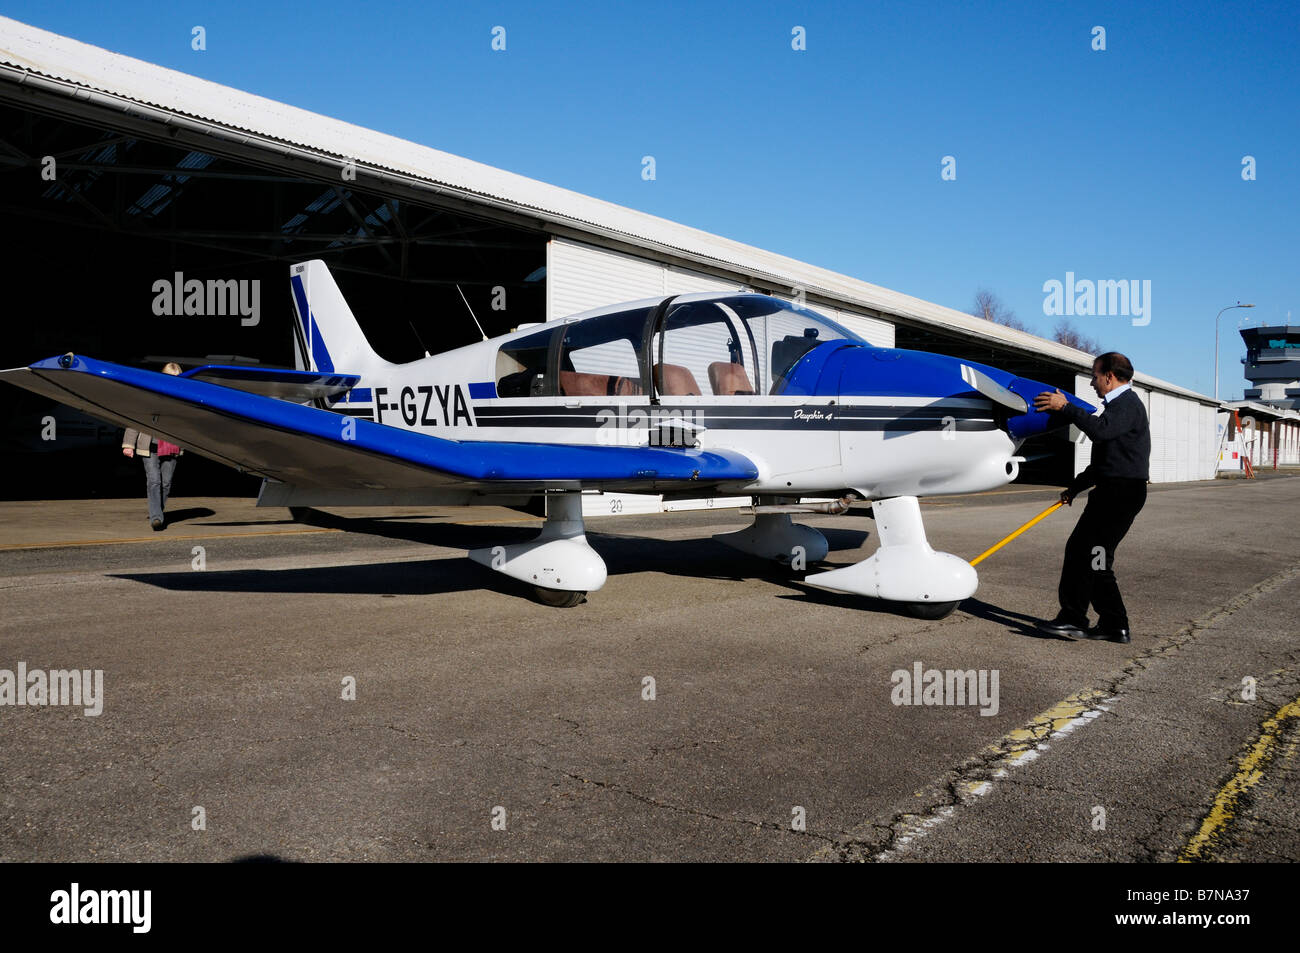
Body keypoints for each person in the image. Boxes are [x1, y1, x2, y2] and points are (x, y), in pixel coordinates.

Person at [1032, 352, 1151, 643]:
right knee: (1092, 556)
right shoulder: (1118, 407)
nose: (1092, 382)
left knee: (1089, 554)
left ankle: (1075, 619)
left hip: (1120, 494)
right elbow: (1104, 462)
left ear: (1109, 377)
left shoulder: (1127, 404)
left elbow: (1099, 432)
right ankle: (1113, 624)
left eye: (1095, 376)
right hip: (1113, 491)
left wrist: (1066, 407)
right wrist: (1076, 487)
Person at [122, 362, 184, 530]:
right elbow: (135, 419)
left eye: (178, 378)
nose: (174, 381)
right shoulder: (148, 394)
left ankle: (158, 512)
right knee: (154, 481)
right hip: (149, 445)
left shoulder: (183, 397)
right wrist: (129, 444)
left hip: (171, 446)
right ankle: (156, 518)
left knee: (166, 483)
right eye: (171, 377)